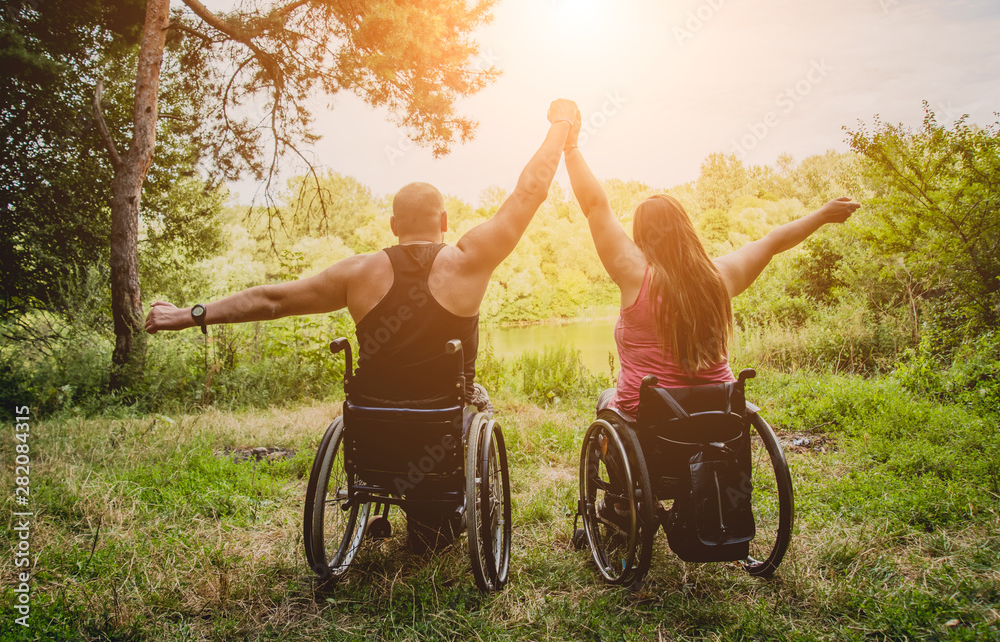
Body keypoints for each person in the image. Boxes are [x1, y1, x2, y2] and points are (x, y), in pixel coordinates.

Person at [145, 98, 581, 548]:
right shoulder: (468, 262)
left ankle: (395, 506)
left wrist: (187, 314)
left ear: (394, 225)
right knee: (442, 521)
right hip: (441, 434)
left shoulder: (357, 273)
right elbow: (530, 191)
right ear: (445, 222)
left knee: (428, 528)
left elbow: (271, 300)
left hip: (376, 432)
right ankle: (435, 515)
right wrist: (561, 124)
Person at [560, 111, 860, 419]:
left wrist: (570, 148)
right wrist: (823, 214)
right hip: (718, 410)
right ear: (686, 230)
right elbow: (773, 241)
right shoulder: (720, 277)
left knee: (606, 399)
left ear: (642, 235)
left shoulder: (635, 274)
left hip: (651, 417)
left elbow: (595, 204)